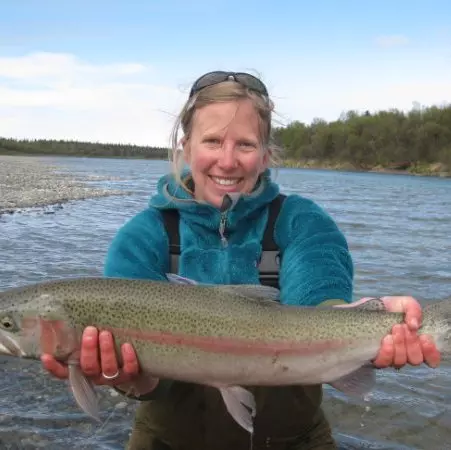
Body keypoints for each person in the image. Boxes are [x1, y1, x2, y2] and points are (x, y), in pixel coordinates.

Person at [41, 71, 441, 450]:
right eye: (213, 141)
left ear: (265, 155)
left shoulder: (302, 222)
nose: (228, 161)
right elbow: (146, 385)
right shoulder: (144, 235)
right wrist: (125, 380)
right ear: (186, 149)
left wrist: (379, 322)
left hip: (294, 440)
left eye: (245, 145)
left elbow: (324, 307)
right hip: (168, 440)